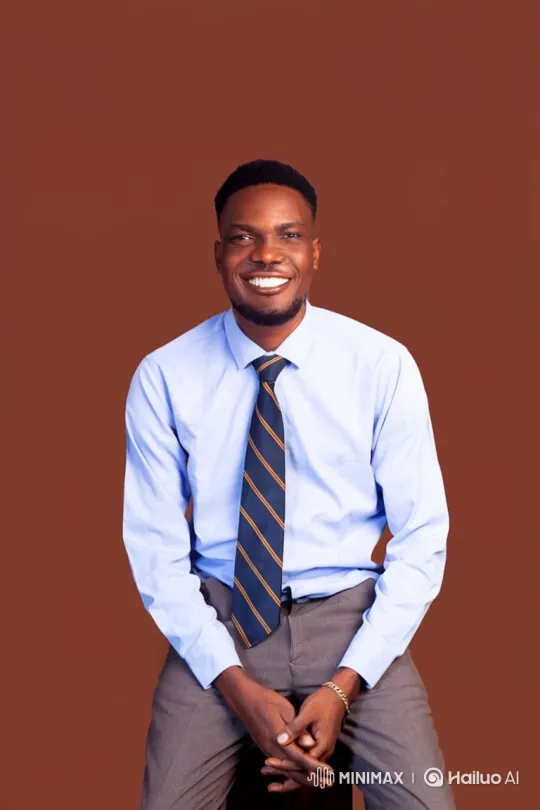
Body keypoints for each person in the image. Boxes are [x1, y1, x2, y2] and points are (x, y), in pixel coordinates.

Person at [122, 159, 455, 809]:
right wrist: (235, 684)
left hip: (352, 619)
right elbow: (156, 552)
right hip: (222, 624)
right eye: (244, 237)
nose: (266, 254)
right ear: (218, 253)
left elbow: (423, 537)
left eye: (288, 235)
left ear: (315, 251)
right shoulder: (164, 375)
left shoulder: (380, 365)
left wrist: (343, 686)